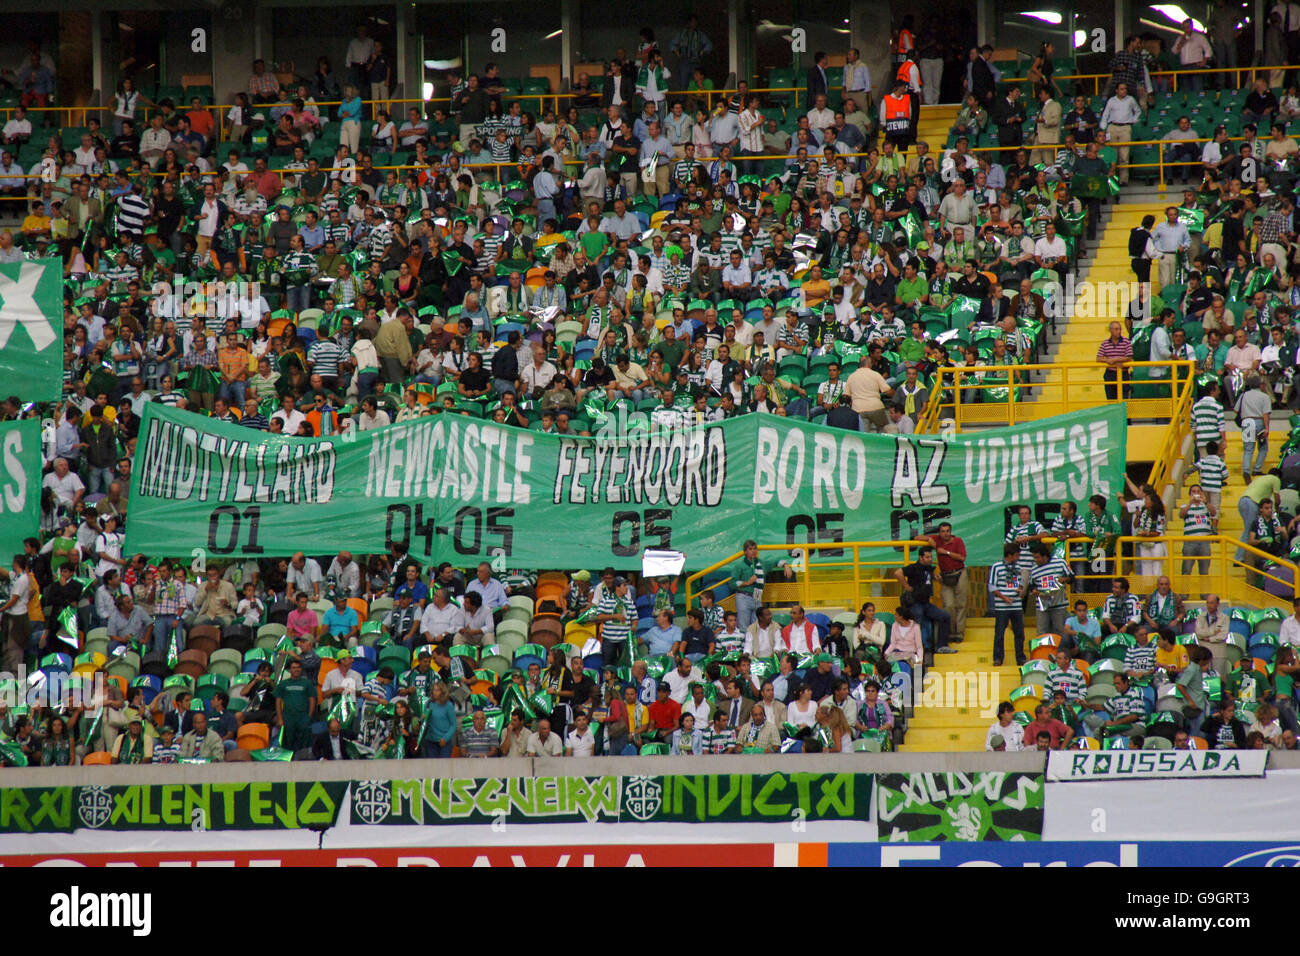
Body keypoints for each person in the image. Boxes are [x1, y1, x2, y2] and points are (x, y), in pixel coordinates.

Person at [893, 546, 954, 654]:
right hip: (915, 603)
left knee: (945, 616)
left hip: (926, 603)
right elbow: (898, 573)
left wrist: (937, 578)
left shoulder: (929, 569)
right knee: (918, 620)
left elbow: (927, 579)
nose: (930, 559)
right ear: (921, 558)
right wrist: (906, 586)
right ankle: (919, 648)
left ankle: (941, 645)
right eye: (927, 557)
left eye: (930, 556)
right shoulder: (914, 567)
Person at [988, 544, 1027, 666]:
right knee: (999, 633)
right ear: (1010, 555)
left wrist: (1020, 591)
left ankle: (1020, 658)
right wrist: (1004, 598)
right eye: (1017, 555)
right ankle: (998, 658)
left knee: (1019, 633)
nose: (1018, 557)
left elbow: (1020, 584)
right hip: (1002, 606)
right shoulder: (997, 567)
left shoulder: (1018, 567)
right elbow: (992, 586)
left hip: (1016, 605)